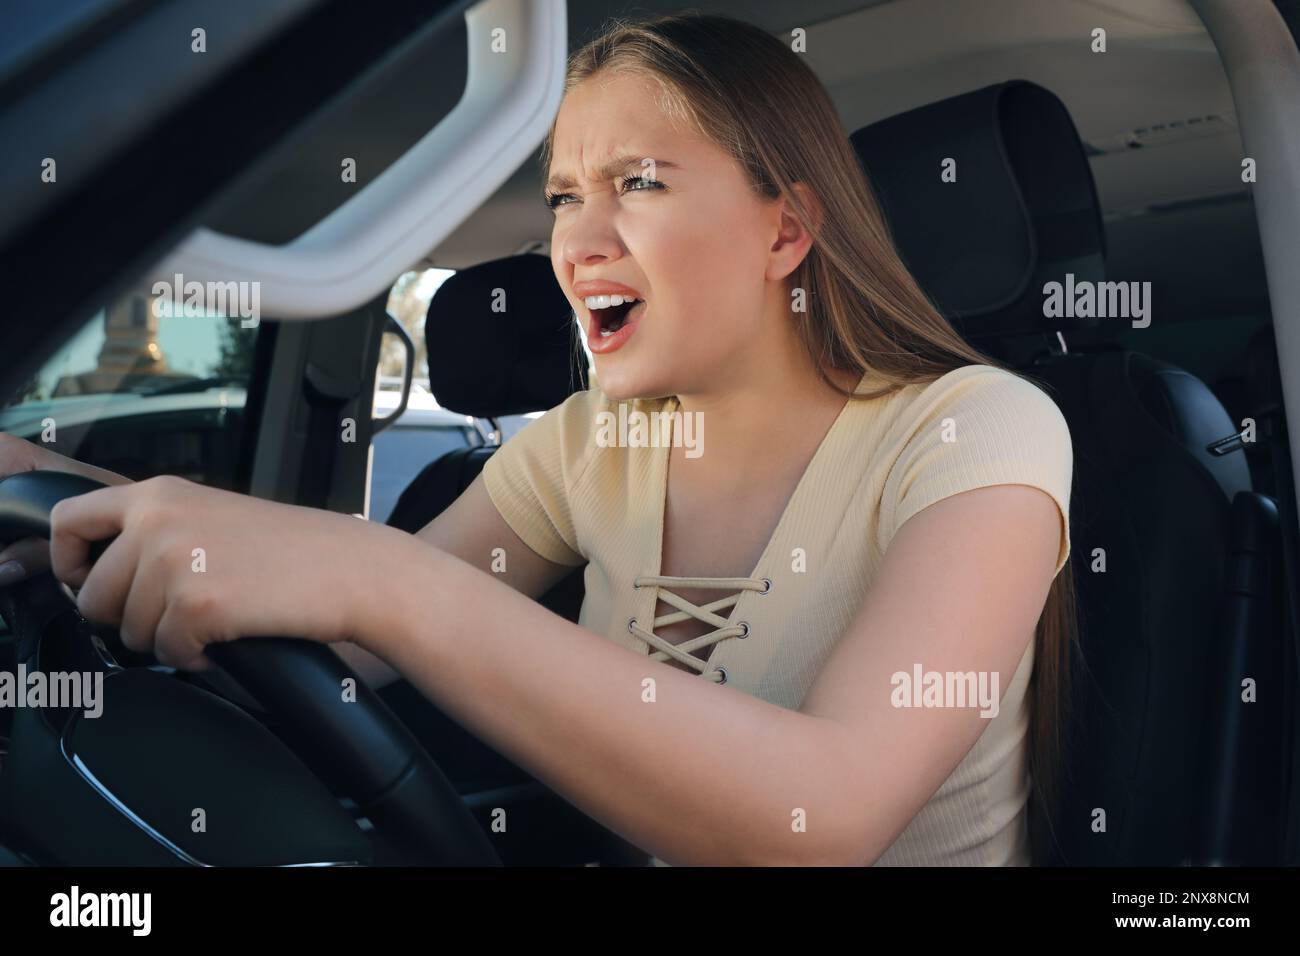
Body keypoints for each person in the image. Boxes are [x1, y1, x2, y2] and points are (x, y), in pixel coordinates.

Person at [0, 13, 1075, 866]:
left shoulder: (975, 429)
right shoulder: (590, 440)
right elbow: (351, 641)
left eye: (639, 184)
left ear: (784, 230)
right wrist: (49, 484)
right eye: (564, 196)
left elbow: (823, 816)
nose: (578, 240)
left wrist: (387, 580)